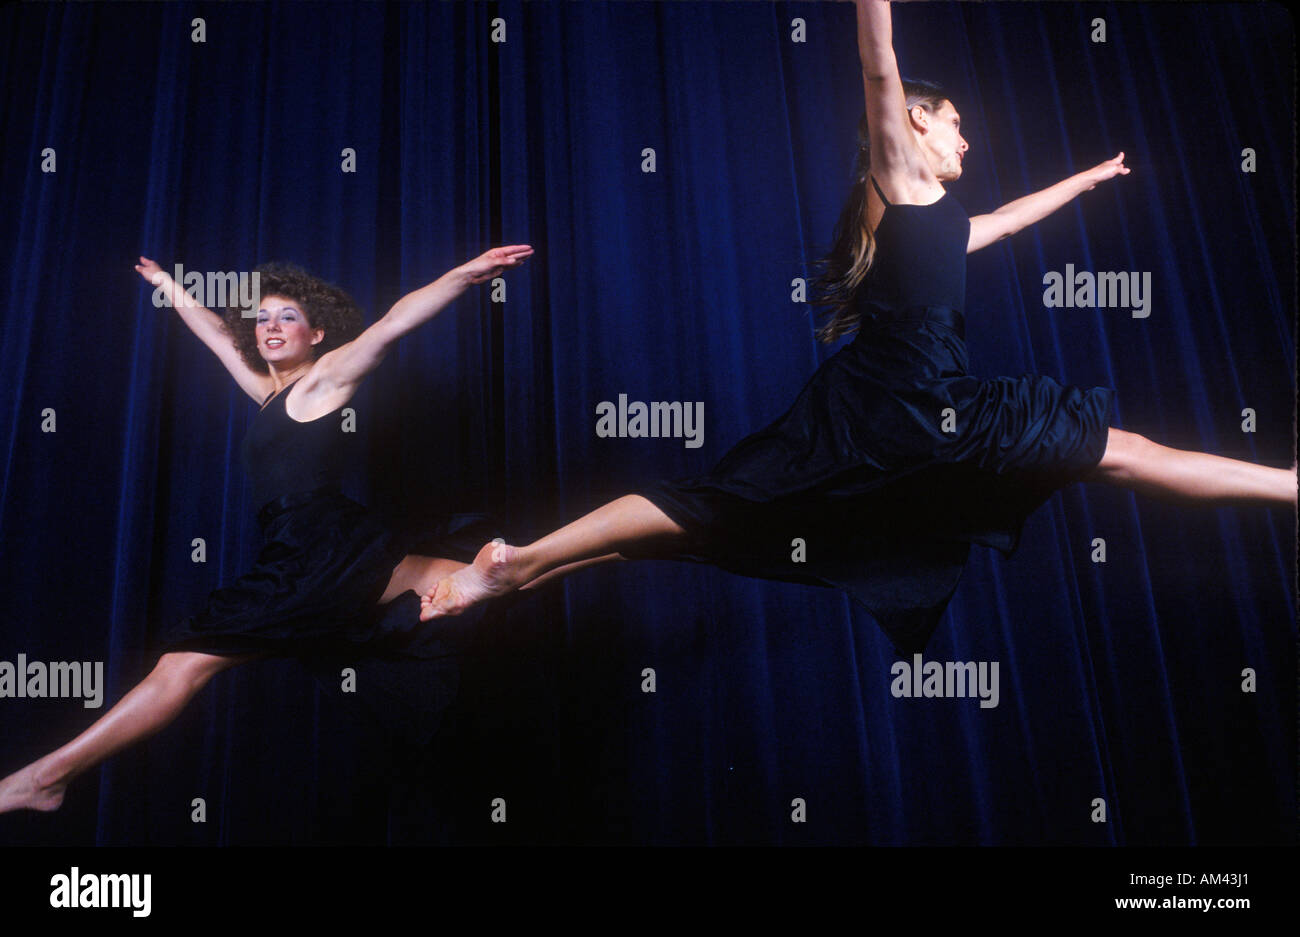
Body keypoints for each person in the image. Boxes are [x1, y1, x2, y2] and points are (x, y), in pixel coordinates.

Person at [419, 0, 1296, 651]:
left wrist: (1083, 181)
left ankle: (519, 564)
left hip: (888, 411)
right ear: (916, 119)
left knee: (712, 518)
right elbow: (877, 55)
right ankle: (1289, 487)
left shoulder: (940, 219)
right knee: (1124, 453)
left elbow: (1013, 218)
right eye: (955, 126)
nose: (965, 143)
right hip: (915, 402)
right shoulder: (899, 174)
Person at [0, 246, 532, 814]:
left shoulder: (324, 381)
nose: (270, 327)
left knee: (185, 662)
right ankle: (628, 536)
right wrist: (166, 284)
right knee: (496, 576)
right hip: (318, 547)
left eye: (287, 317)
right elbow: (215, 335)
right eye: (262, 319)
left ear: (318, 334)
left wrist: (461, 275)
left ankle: (46, 779)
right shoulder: (269, 395)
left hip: (317, 551)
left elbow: (392, 324)